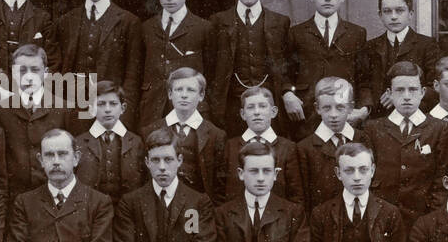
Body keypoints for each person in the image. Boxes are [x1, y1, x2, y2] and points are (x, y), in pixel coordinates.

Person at [208, 0, 294, 137]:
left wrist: (287, 92)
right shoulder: (218, 22)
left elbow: (288, 68)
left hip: (268, 108)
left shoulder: (280, 22)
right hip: (231, 108)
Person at [56, 0, 144, 126]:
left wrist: (124, 116)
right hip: (75, 108)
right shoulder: (67, 21)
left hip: (111, 109)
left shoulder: (128, 22)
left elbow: (132, 76)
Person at [286, 0, 367, 137]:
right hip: (307, 115)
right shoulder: (296, 33)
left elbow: (364, 76)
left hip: (344, 115)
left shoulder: (356, 33)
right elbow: (286, 73)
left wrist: (365, 108)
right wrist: (288, 92)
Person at [138, 0, 216, 133]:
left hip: (191, 110)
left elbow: (212, 73)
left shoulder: (203, 28)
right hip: (152, 111)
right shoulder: (146, 28)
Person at [361, 61, 444, 221]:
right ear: (389, 93)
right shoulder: (373, 129)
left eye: (413, 90)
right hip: (382, 217)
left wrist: (432, 218)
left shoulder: (438, 128)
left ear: (423, 92)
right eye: (400, 90)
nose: (406, 96)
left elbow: (441, 180)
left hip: (423, 218)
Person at [0, 43, 68, 201]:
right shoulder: (0, 111)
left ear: (46, 73)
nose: (29, 76)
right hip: (14, 198)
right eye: (22, 70)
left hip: (53, 196)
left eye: (35, 70)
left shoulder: (63, 108)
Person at [358, 0, 439, 119]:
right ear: (380, 15)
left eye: (400, 10)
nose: (394, 16)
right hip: (379, 118)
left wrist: (399, 96)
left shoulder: (427, 45)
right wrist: (367, 107)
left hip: (416, 116)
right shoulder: (370, 47)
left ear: (411, 14)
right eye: (387, 11)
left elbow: (434, 87)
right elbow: (364, 84)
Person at [222, 84, 303, 205]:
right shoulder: (230, 146)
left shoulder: (288, 148)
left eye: (262, 106)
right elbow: (221, 191)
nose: (256, 112)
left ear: (274, 112)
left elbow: (296, 195)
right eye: (250, 107)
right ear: (243, 114)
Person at [155, 66, 225, 205]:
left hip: (196, 207)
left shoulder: (215, 135)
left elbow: (219, 186)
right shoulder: (152, 130)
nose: (184, 95)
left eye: (191, 90)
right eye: (179, 89)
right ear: (170, 94)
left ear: (201, 96)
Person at [73, 80, 146, 202]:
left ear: (123, 108)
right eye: (101, 104)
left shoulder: (136, 142)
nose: (107, 109)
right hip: (91, 210)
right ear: (91, 109)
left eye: (113, 104)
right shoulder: (79, 142)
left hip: (126, 211)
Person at [296, 76, 360, 212]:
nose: (333, 115)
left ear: (350, 107)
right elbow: (303, 197)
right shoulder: (305, 148)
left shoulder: (362, 139)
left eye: (340, 107)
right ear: (317, 108)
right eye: (326, 108)